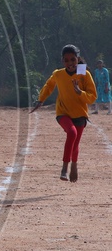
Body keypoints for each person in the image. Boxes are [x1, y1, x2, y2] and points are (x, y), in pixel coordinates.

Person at [30, 44, 97, 183]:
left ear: (77, 59)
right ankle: (64, 168)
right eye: (66, 60)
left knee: (75, 144)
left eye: (73, 60)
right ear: (62, 61)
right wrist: (40, 100)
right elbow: (49, 86)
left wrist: (80, 93)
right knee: (72, 133)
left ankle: (74, 165)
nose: (70, 63)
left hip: (80, 114)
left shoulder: (84, 73)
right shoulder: (58, 74)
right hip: (63, 113)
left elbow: (92, 96)